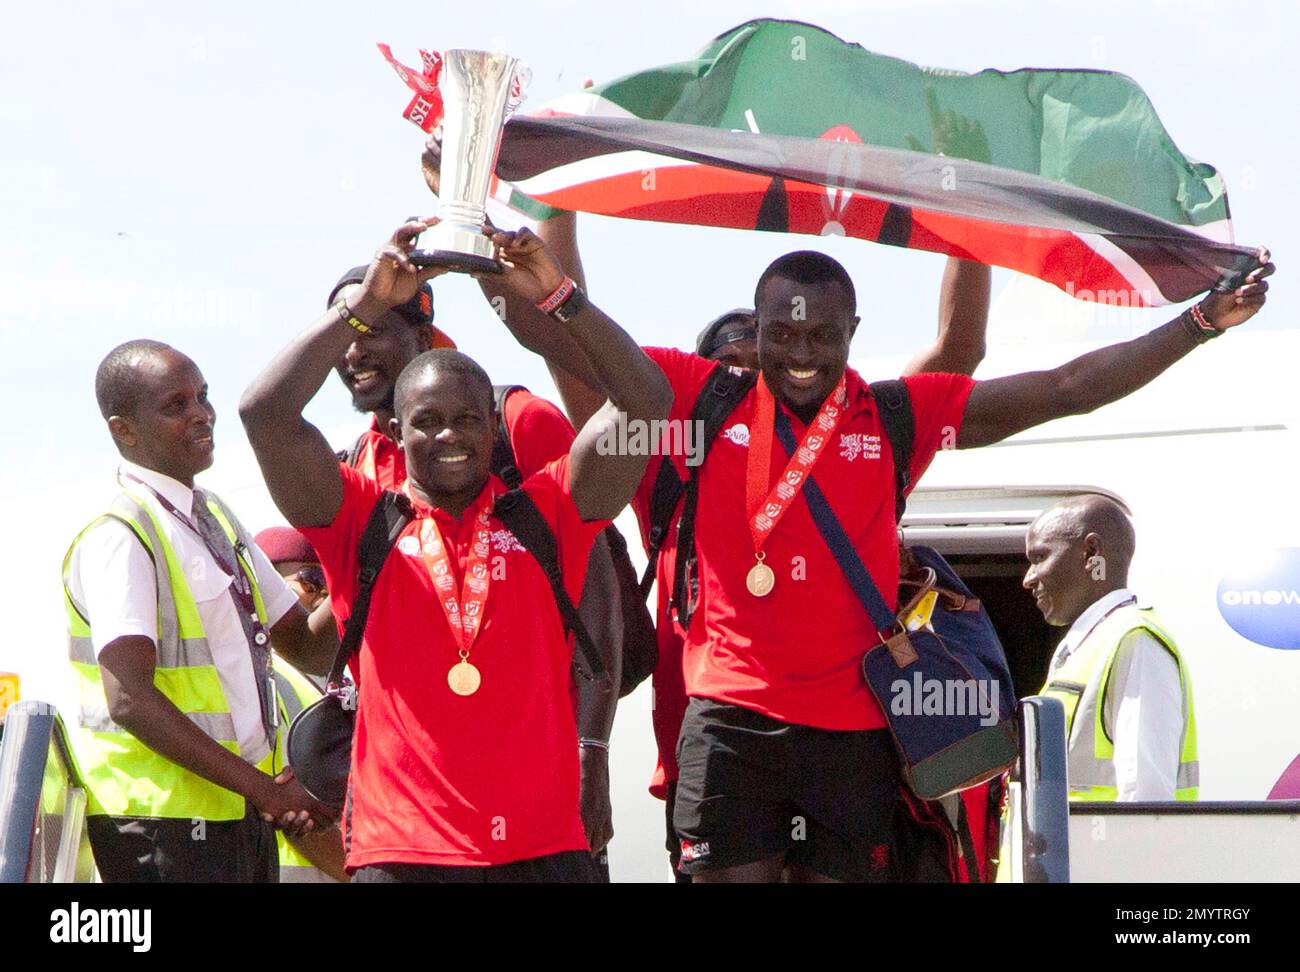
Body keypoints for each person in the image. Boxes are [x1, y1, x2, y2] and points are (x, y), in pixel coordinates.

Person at [487, 233, 1271, 882]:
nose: (800, 354)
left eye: (821, 337)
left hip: (850, 736)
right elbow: (564, 345)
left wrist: (1198, 322)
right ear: (756, 332)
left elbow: (1067, 387)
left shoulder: (898, 416)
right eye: (781, 335)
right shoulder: (703, 397)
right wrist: (524, 276)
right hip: (729, 727)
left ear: (854, 332)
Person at [511, 197, 992, 881]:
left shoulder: (866, 428)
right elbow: (581, 354)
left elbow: (958, 351)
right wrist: (555, 202)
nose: (763, 378)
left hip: (840, 740)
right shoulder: (667, 451)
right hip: (711, 741)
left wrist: (968, 205)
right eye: (736, 364)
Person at [238, 218, 671, 882]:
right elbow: (264, 412)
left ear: (492, 422)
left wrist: (559, 296)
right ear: (397, 428)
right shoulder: (358, 517)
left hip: (542, 845)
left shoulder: (550, 510)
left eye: (468, 419)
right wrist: (362, 306)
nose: (450, 437)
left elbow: (647, 401)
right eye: (427, 422)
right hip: (403, 849)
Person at [323, 258, 621, 864]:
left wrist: (593, 745)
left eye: (371, 326)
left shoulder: (517, 422)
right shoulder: (358, 461)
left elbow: (595, 591)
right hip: (415, 822)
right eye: (343, 331)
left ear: (423, 334)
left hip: (541, 801)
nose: (353, 351)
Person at [64, 340, 339, 883]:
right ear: (124, 430)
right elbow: (129, 700)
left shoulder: (212, 515)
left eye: (203, 397)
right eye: (176, 405)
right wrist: (264, 790)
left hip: (235, 814)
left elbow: (306, 644)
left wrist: (369, 562)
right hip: (161, 825)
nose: (201, 415)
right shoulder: (121, 534)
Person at [1024, 495, 1197, 801]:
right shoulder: (1089, 644)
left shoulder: (1135, 641)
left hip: (1099, 850)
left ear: (1092, 552)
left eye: (1039, 558)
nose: (1029, 579)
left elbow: (1146, 799)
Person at [254, 526, 350, 882]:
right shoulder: (263, 675)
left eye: (325, 578)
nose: (321, 592)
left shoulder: (334, 678)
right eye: (309, 579)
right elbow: (288, 802)